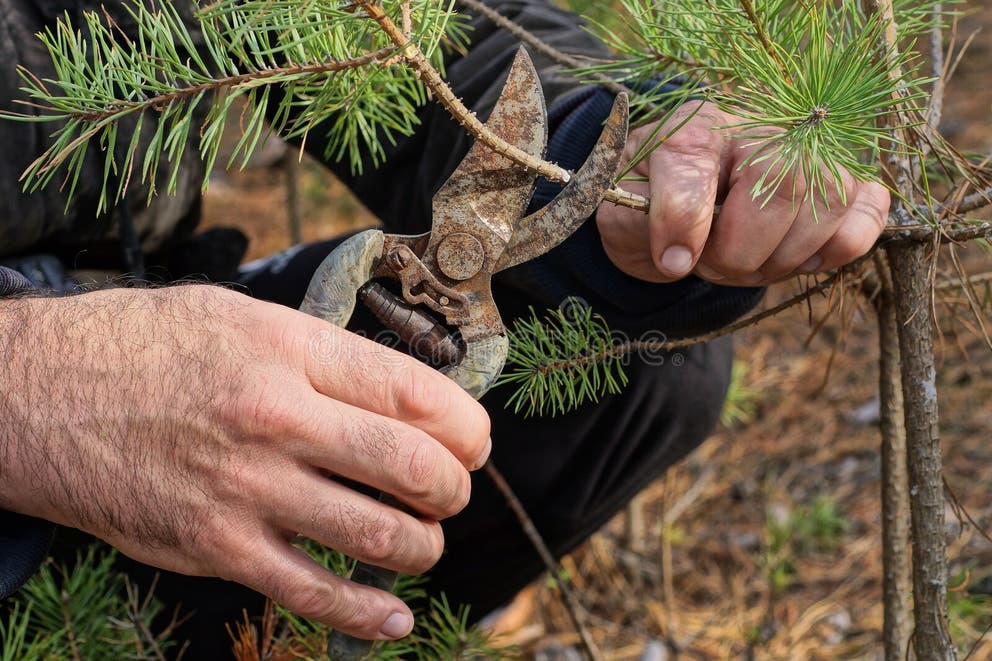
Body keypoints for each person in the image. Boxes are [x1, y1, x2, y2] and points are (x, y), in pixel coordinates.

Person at [0, 0, 889, 655]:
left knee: (632, 362)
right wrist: (31, 388)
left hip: (122, 286)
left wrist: (613, 156)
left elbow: (409, 34)